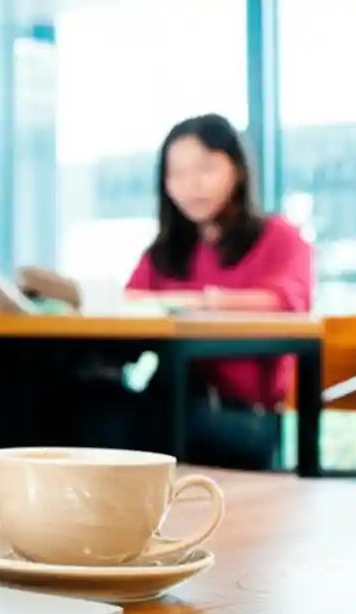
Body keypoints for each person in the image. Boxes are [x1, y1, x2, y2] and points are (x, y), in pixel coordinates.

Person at [125, 112, 314, 469]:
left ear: (238, 169)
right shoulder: (166, 251)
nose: (190, 184)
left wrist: (195, 302)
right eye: (176, 174)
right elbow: (130, 306)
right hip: (172, 405)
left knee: (122, 423)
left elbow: (287, 303)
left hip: (243, 418)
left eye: (204, 168)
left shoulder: (279, 237)